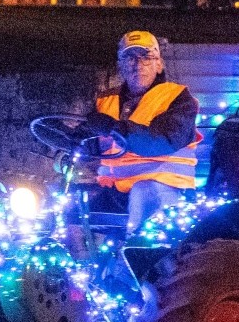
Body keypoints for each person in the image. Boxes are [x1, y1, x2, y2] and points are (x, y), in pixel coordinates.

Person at [79, 31, 202, 233]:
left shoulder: (178, 99)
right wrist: (65, 142)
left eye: (146, 56)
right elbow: (87, 140)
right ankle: (82, 261)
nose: (138, 64)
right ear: (120, 66)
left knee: (142, 193)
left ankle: (131, 256)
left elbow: (161, 141)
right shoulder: (105, 101)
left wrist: (115, 128)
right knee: (74, 211)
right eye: (130, 57)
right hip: (117, 191)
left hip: (167, 191)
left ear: (159, 64)